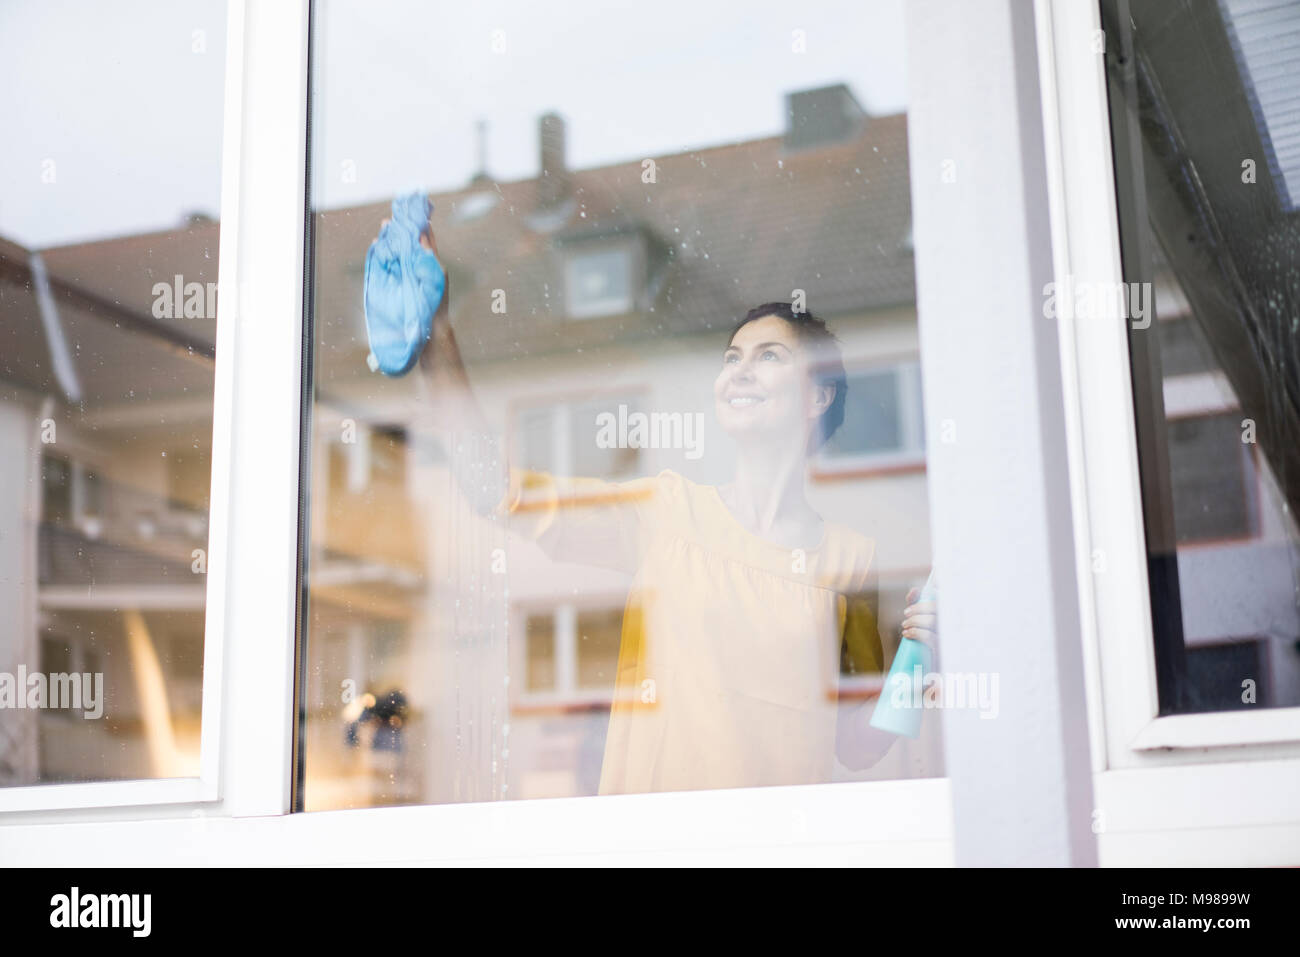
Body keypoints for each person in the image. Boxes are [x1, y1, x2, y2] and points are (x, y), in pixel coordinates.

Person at [394, 214, 938, 795]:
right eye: (732, 358)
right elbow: (497, 492)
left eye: (768, 357)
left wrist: (920, 657)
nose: (739, 372)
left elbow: (855, 746)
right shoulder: (668, 513)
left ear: (819, 394)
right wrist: (437, 334)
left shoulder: (851, 560)